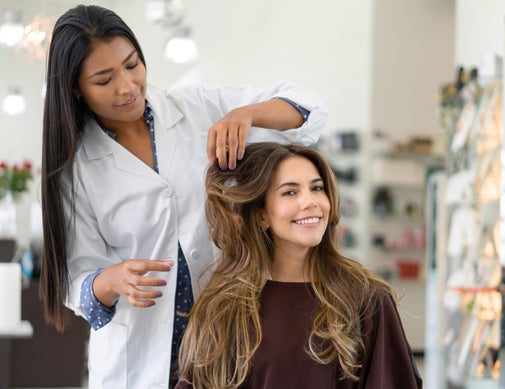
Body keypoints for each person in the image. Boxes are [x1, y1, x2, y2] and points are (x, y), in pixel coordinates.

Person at [39, 5, 327, 389]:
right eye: (104, 79)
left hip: (223, 337)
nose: (126, 87)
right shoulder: (74, 169)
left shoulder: (195, 108)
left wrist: (247, 114)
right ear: (76, 88)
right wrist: (110, 280)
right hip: (138, 360)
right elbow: (76, 278)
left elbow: (309, 110)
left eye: (132, 65)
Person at [175, 142, 423, 389]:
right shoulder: (224, 303)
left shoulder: (367, 299)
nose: (311, 201)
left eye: (317, 188)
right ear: (262, 215)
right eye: (290, 192)